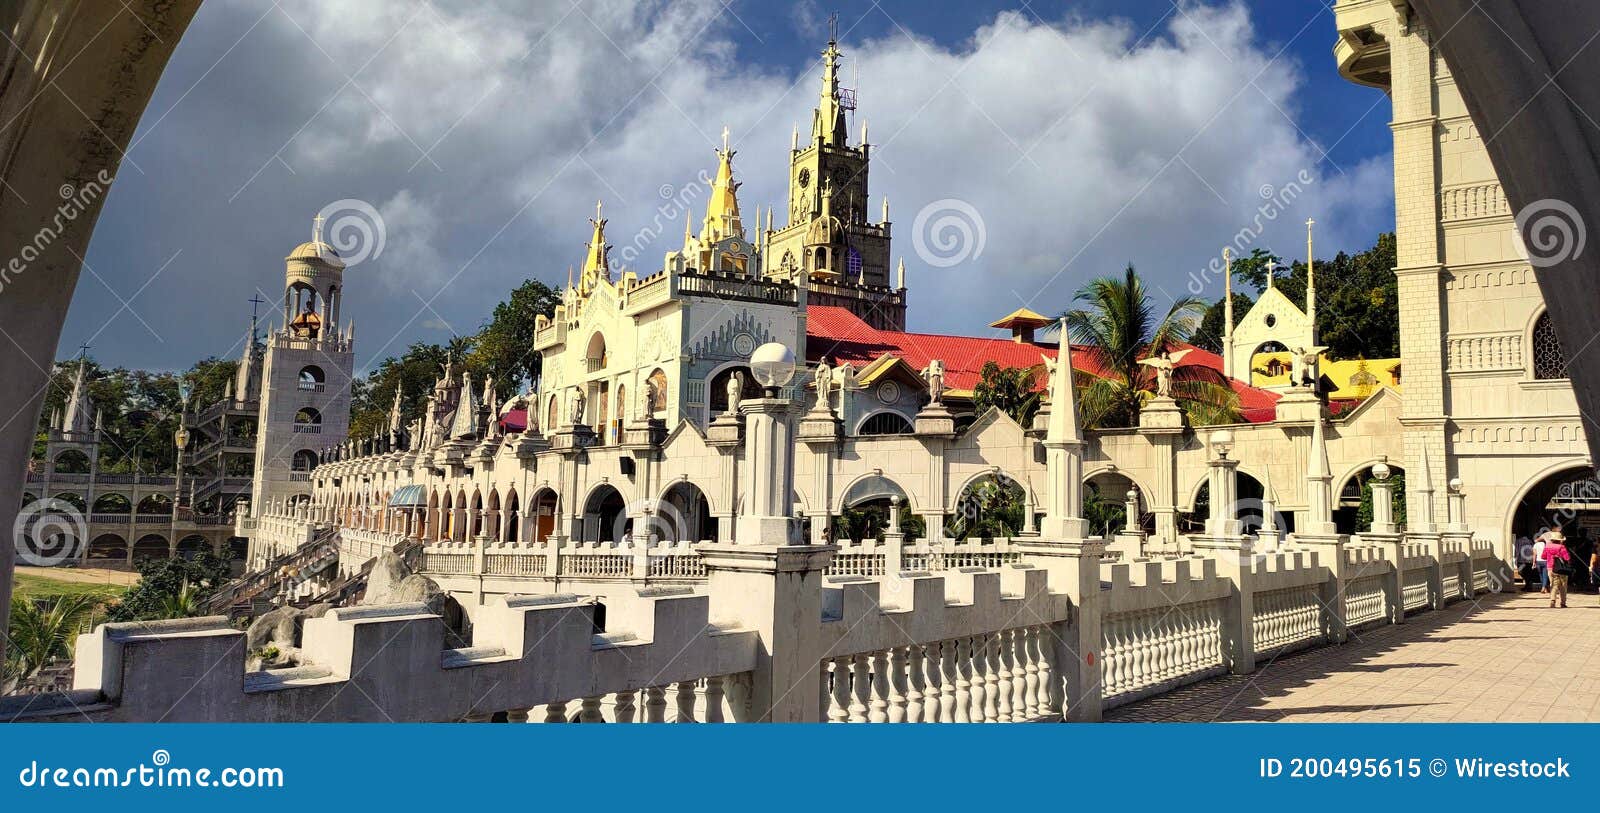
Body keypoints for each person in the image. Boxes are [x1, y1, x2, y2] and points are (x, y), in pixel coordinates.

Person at [1542, 529, 1574, 608]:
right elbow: (1567, 558)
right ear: (1560, 540)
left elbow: (1543, 556)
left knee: (1553, 585)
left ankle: (1552, 600)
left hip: (1550, 568)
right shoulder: (1561, 547)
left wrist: (1551, 557)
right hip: (1562, 569)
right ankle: (1563, 603)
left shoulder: (1547, 546)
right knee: (1563, 586)